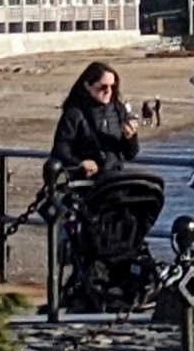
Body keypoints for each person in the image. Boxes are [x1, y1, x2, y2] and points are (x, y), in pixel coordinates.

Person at [49, 61, 163, 309]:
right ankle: (91, 281)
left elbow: (130, 154)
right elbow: (59, 152)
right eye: (103, 87)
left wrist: (130, 138)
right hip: (88, 186)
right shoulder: (74, 115)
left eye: (112, 87)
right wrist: (81, 163)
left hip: (114, 182)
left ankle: (125, 278)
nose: (108, 92)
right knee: (92, 234)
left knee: (124, 227)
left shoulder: (118, 110)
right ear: (88, 85)